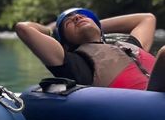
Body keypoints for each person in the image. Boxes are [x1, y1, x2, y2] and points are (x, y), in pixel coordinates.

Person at [15, 8, 165, 92]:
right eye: (68, 23)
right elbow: (24, 28)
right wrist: (52, 30)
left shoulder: (130, 46)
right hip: (146, 102)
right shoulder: (72, 62)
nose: (77, 17)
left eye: (81, 16)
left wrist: (95, 25)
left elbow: (147, 18)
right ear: (65, 44)